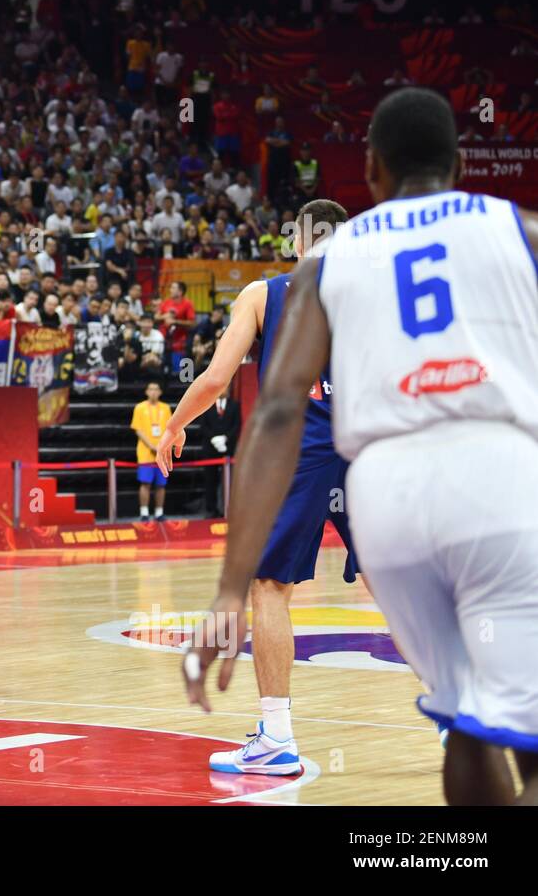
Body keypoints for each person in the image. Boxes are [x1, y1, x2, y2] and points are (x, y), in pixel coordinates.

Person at [186, 88, 538, 806]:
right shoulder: (519, 228)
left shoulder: (320, 271)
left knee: (465, 722)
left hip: (393, 492)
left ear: (371, 169)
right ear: (462, 160)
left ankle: (289, 734)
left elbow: (276, 413)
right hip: (500, 479)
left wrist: (227, 587)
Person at [158, 198, 358, 776]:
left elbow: (218, 377)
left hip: (299, 449)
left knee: (270, 587)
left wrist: (174, 424)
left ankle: (276, 736)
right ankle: (460, 719)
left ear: (295, 241)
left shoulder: (263, 294)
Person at [131, 380, 171, 519]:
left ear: (160, 392)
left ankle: (159, 512)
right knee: (145, 483)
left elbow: (169, 429)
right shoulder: (139, 408)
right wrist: (151, 446)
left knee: (161, 484)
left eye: (156, 389)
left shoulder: (166, 408)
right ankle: (144, 512)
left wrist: (161, 446)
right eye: (151, 389)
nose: (153, 392)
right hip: (145, 453)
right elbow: (138, 429)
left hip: (162, 453)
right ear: (146, 391)